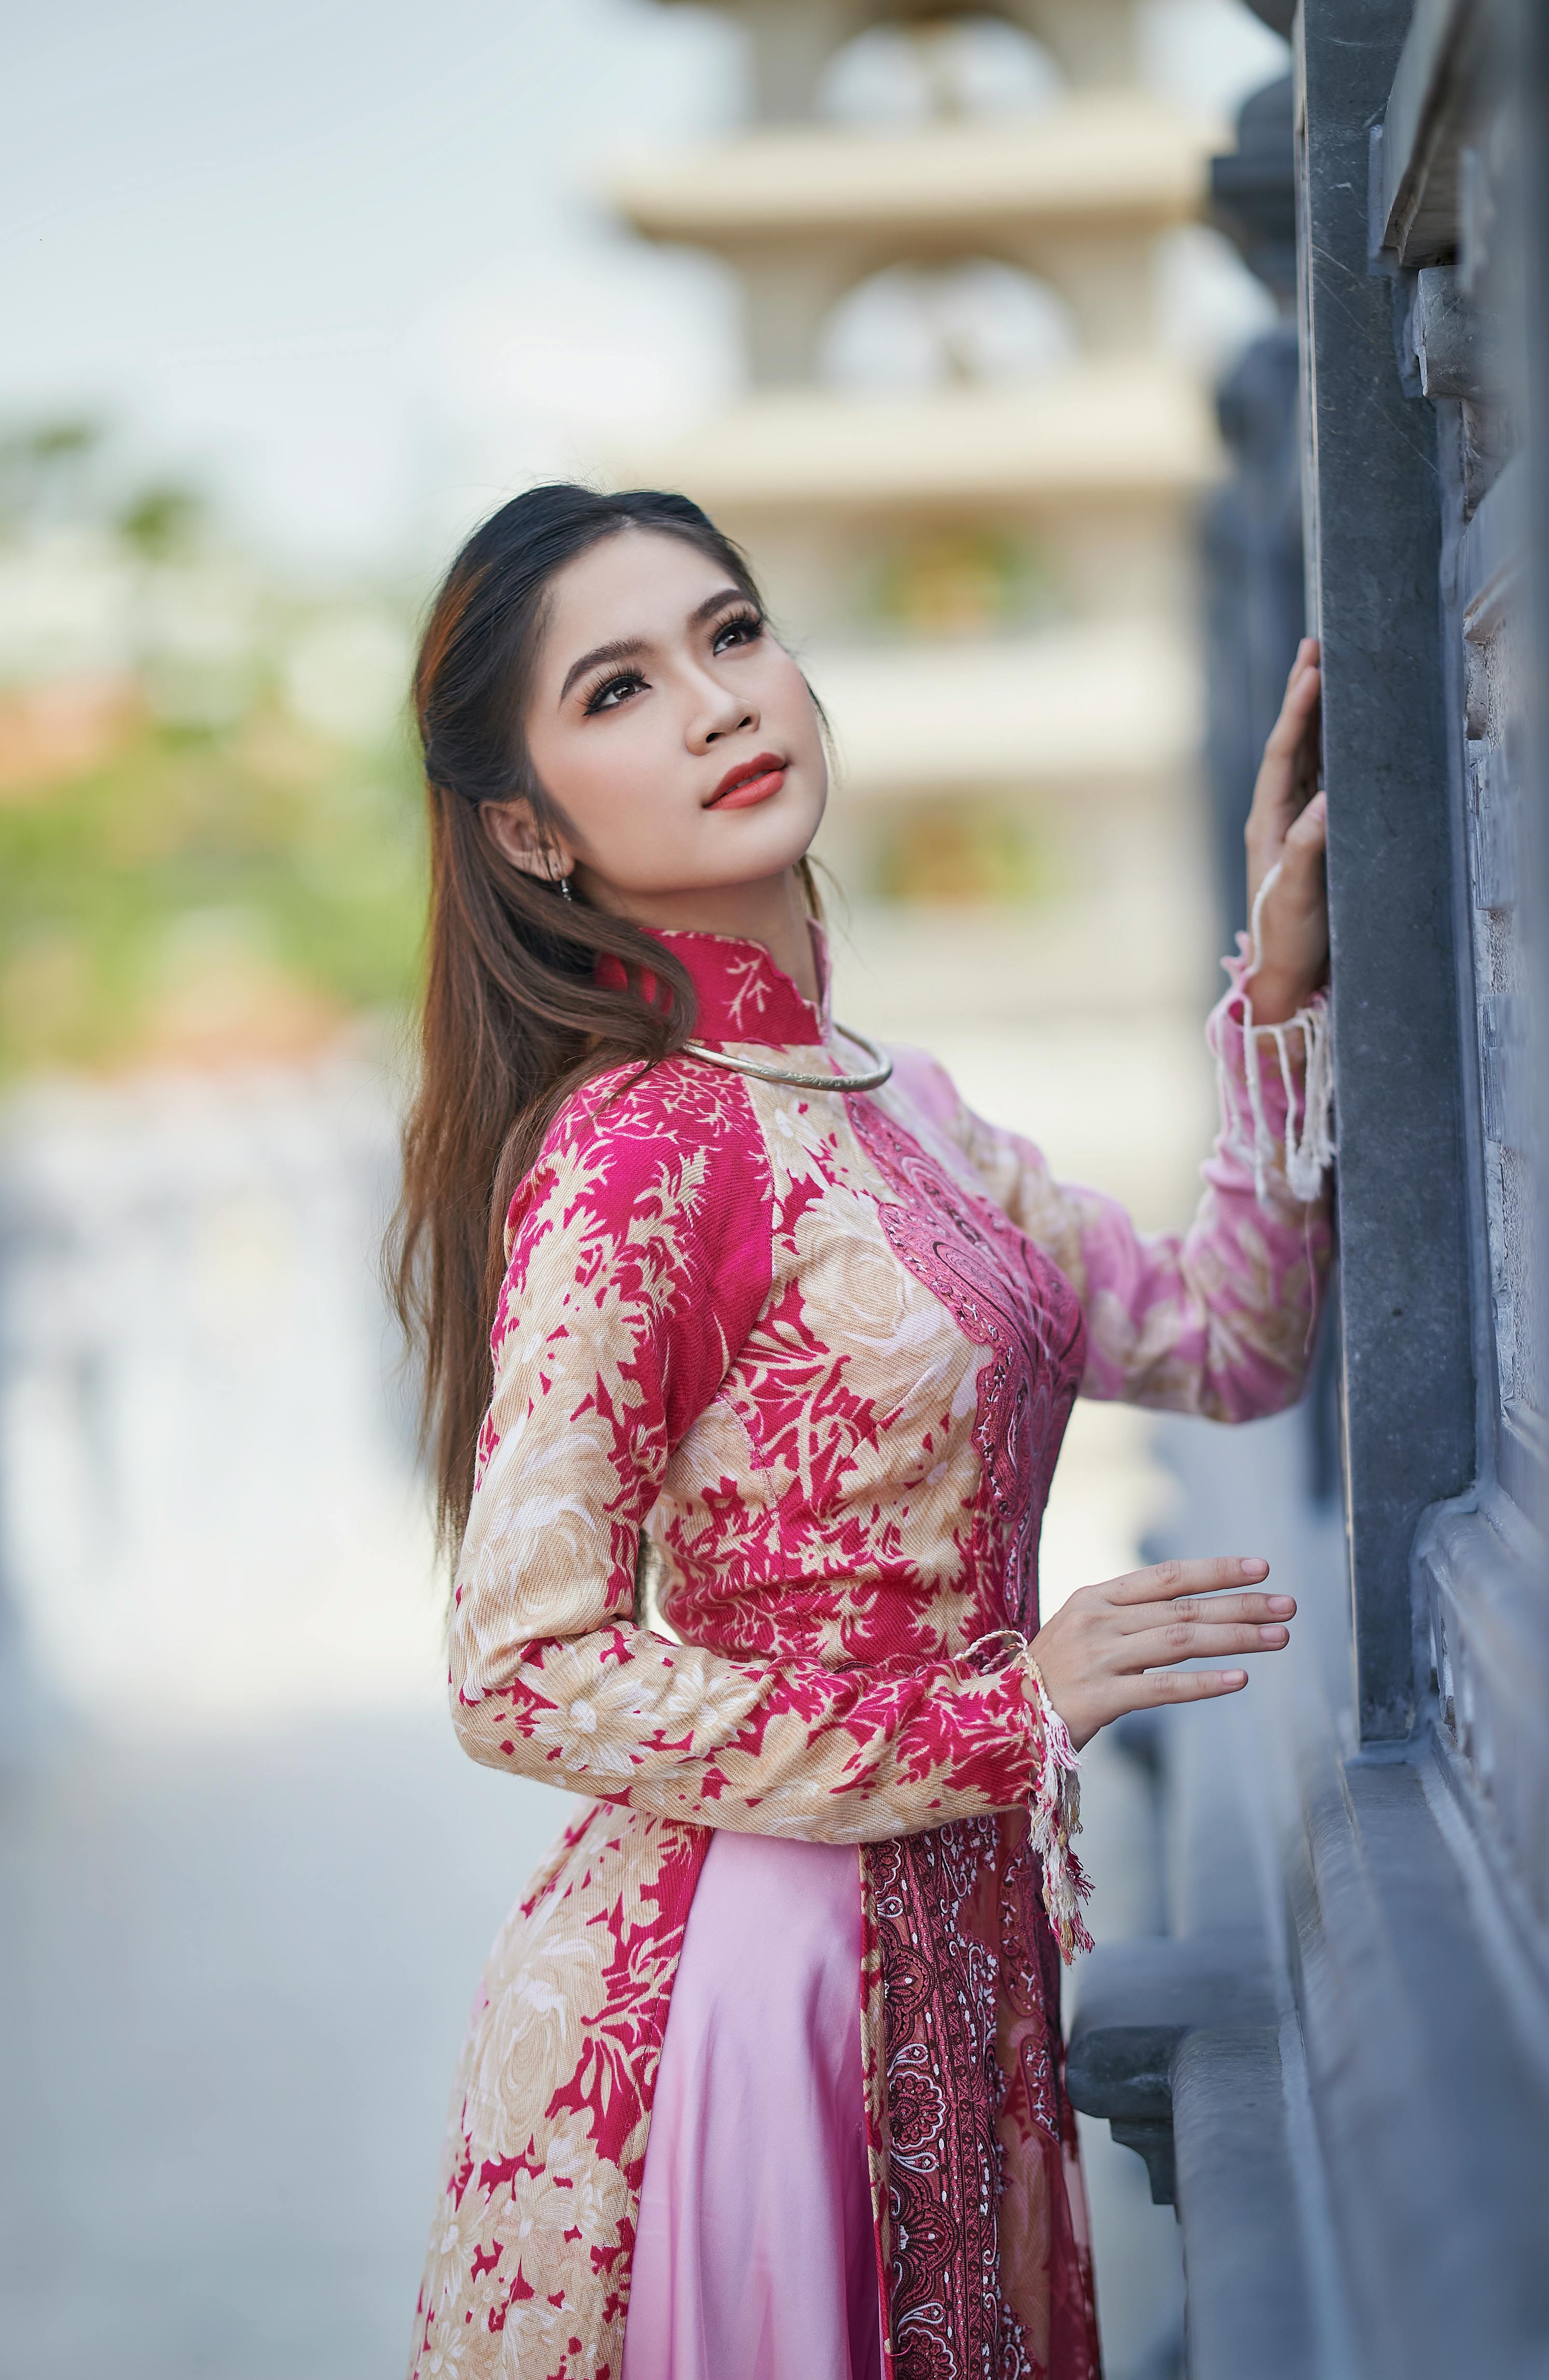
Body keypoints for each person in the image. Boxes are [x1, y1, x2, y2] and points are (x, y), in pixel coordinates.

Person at [393, 485, 1332, 2380]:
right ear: (527, 826)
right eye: (622, 688)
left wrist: (1286, 984)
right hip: (746, 1992)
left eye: (733, 637)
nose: (719, 706)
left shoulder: (906, 1109)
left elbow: (1229, 1336)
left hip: (958, 1941)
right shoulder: (637, 1142)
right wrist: (1009, 1707)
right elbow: (518, 1667)